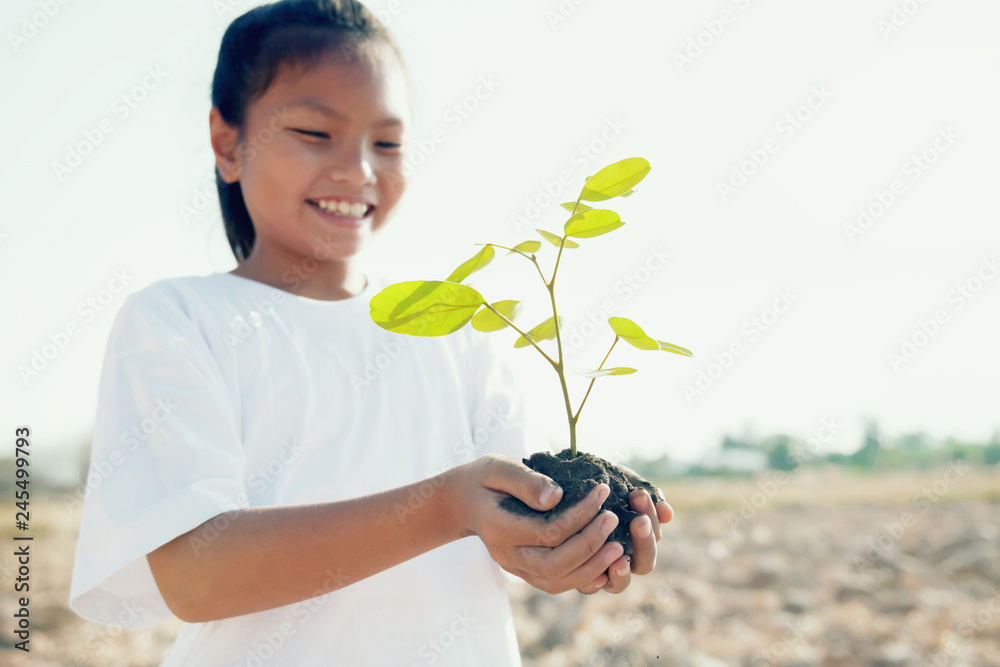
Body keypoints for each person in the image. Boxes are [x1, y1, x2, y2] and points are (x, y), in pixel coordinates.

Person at [67, 1, 673, 664]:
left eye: (387, 143)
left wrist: (572, 545)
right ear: (228, 143)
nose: (358, 169)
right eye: (315, 132)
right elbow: (195, 571)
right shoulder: (180, 321)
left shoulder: (456, 328)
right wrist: (443, 506)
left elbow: (509, 529)